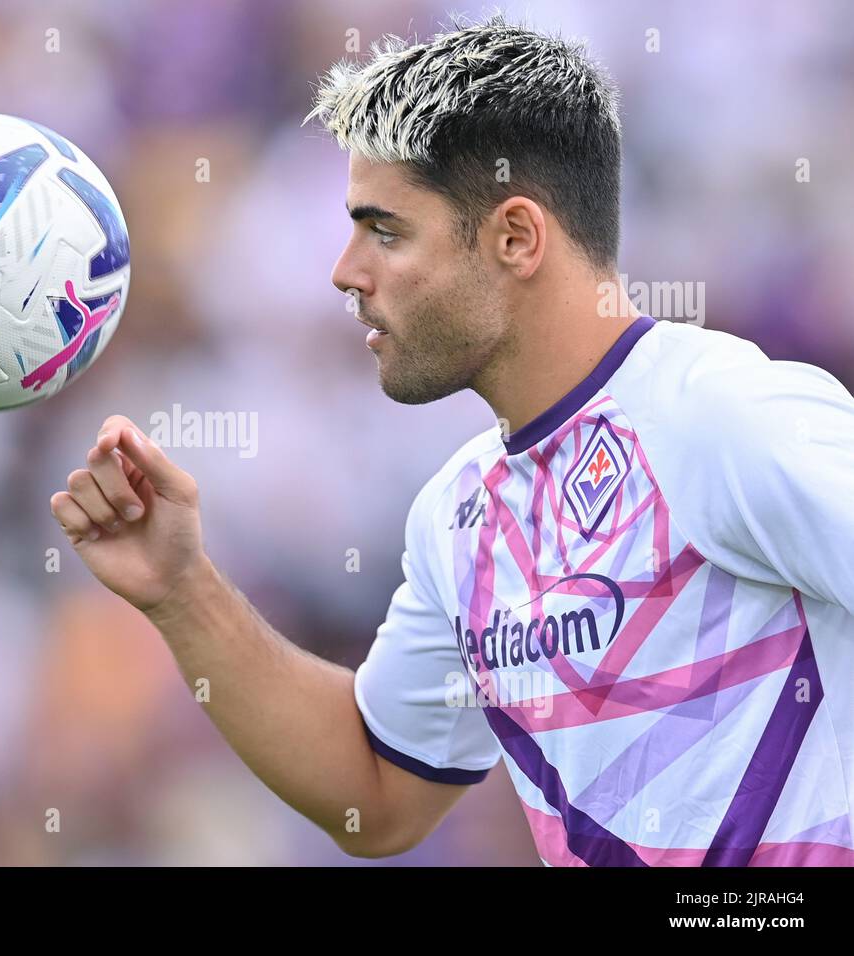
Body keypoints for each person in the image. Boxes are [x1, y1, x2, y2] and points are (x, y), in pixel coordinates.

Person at [48, 16, 854, 866]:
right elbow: (377, 796)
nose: (344, 271)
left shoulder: (726, 419)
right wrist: (182, 587)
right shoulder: (457, 515)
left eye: (384, 230)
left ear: (515, 237)